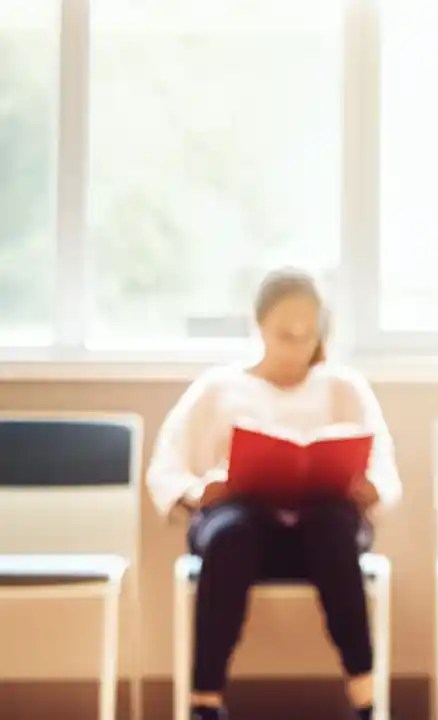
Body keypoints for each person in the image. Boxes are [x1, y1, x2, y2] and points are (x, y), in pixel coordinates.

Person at [146, 268, 402, 720]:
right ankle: (205, 701)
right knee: (231, 532)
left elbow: (384, 470)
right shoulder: (217, 388)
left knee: (332, 526)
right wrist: (197, 491)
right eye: (286, 334)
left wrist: (369, 488)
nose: (297, 345)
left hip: (321, 538)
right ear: (259, 325)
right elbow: (166, 467)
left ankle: (365, 698)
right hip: (241, 535)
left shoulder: (345, 388)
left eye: (308, 335)